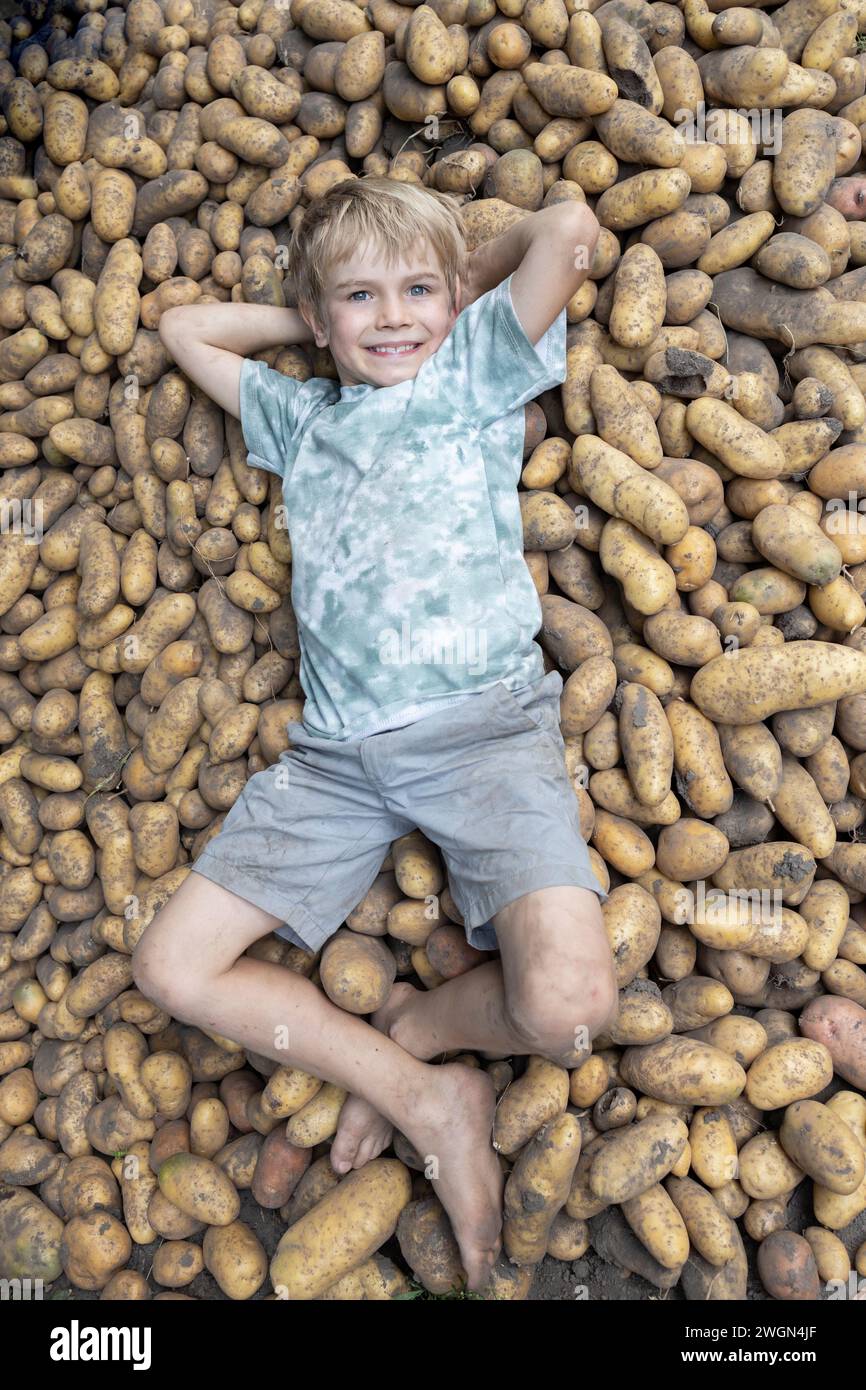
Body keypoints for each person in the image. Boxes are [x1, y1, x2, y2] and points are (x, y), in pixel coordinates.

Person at [132, 176, 619, 1294]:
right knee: (168, 965)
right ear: (319, 319)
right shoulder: (299, 420)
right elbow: (181, 328)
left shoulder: (472, 366)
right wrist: (310, 312)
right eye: (361, 297)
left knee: (569, 1008)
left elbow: (569, 227)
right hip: (337, 762)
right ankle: (418, 1091)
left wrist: (461, 289)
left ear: (450, 300)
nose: (391, 316)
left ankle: (425, 1022)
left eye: (413, 291)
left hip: (487, 732)